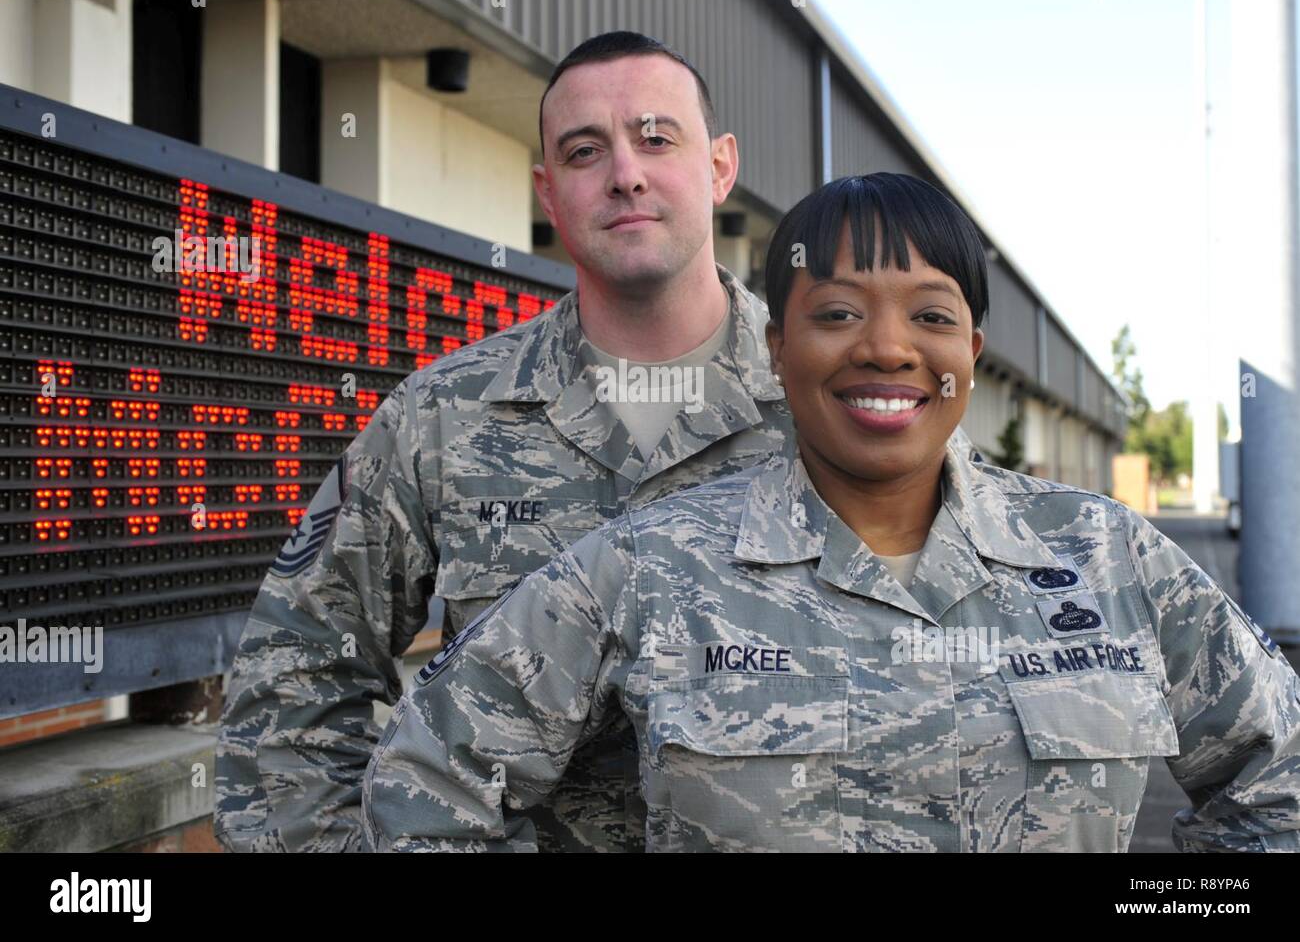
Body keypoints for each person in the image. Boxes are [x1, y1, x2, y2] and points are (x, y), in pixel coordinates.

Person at [362, 172, 1300, 852]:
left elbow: (1282, 779)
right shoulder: (651, 566)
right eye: (839, 314)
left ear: (971, 349)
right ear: (777, 348)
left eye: (930, 316)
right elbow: (426, 788)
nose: (888, 349)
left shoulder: (1106, 557)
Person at [214, 31, 799, 853]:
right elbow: (296, 672)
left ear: (720, 165)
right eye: (584, 151)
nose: (625, 172)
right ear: (548, 192)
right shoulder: (444, 415)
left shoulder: (823, 404)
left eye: (656, 137)